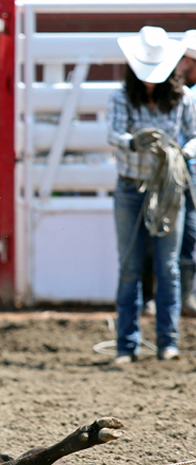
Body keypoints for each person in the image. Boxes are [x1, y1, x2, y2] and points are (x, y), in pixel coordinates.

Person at [106, 26, 196, 364]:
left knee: (167, 266)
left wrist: (183, 154)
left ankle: (166, 342)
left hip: (168, 190)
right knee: (130, 266)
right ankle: (126, 345)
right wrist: (132, 141)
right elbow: (113, 133)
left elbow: (194, 136)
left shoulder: (184, 98)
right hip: (131, 186)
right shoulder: (120, 96)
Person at [176, 30, 196, 316]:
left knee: (188, 232)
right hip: (182, 168)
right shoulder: (180, 92)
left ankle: (186, 296)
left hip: (187, 168)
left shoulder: (184, 94)